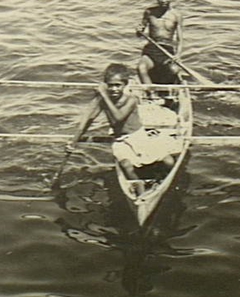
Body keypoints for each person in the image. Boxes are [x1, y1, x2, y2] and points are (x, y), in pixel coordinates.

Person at [67, 63, 181, 197]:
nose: (114, 89)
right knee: (126, 165)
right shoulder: (103, 100)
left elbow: (118, 117)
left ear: (125, 85)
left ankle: (162, 181)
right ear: (105, 84)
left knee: (168, 161)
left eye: (118, 85)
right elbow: (88, 119)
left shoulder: (131, 99)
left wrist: (103, 95)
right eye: (110, 85)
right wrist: (74, 141)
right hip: (121, 140)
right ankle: (140, 192)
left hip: (139, 136)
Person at [136, 0, 183, 84]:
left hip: (167, 52)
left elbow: (180, 40)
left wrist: (178, 55)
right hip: (151, 50)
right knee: (141, 67)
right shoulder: (149, 12)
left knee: (174, 70)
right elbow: (140, 34)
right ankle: (152, 95)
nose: (163, 0)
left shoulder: (176, 15)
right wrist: (139, 30)